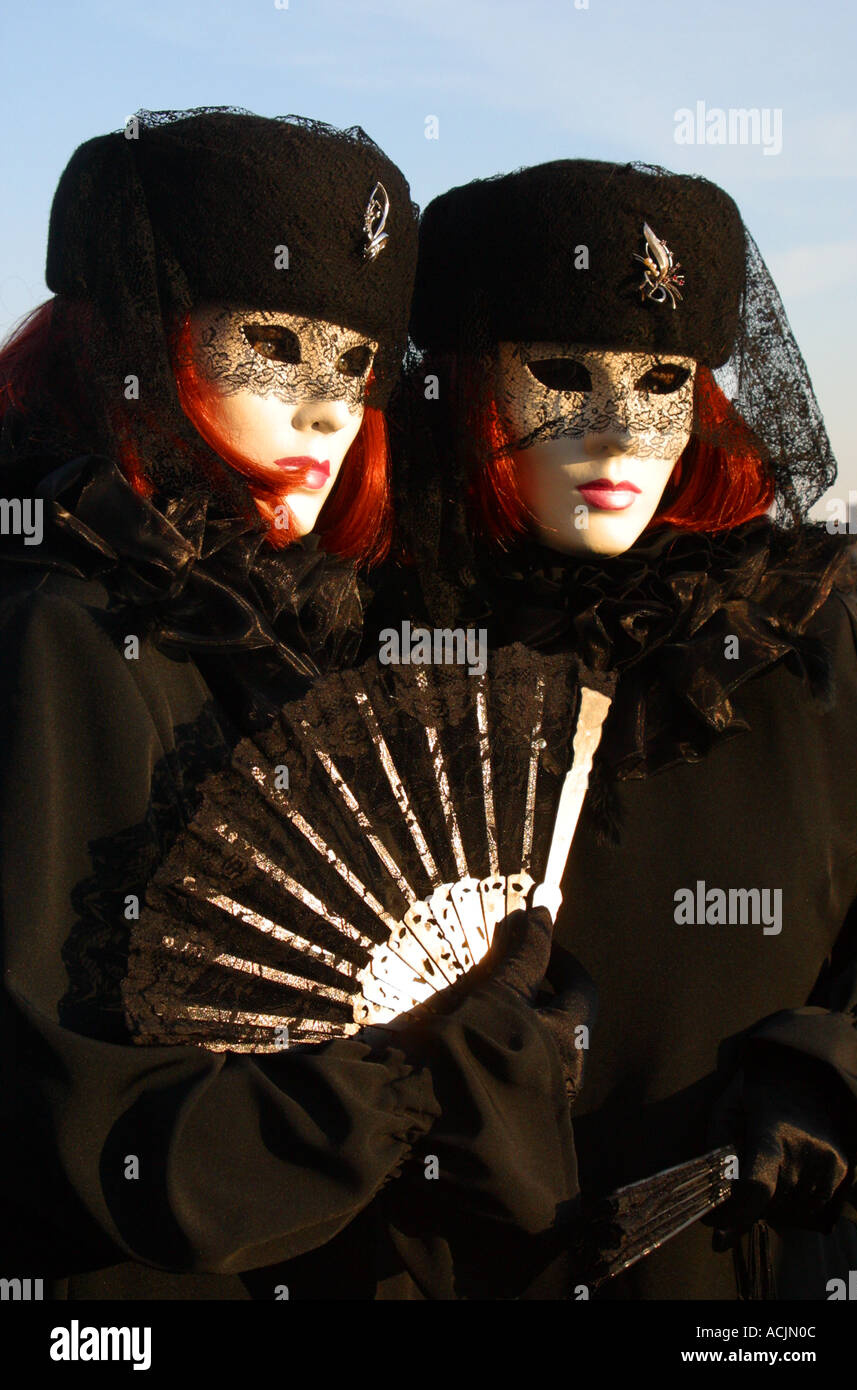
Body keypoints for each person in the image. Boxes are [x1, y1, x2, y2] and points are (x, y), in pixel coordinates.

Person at [0, 109, 589, 1300]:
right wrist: (409, 1073)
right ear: (130, 340)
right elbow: (62, 1116)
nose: (327, 410)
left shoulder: (305, 616)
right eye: (273, 344)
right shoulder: (55, 635)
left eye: (356, 361)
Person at [379, 157, 857, 1299]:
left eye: (659, 379)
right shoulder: (362, 640)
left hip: (733, 1270)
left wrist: (835, 1070)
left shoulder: (800, 643)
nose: (618, 432)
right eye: (558, 374)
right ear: (460, 383)